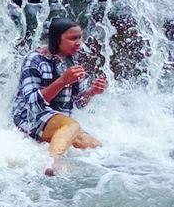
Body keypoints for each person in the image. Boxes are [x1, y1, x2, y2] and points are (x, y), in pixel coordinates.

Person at [11, 18, 106, 176]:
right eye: (72, 38)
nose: (78, 43)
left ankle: (55, 150)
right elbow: (33, 103)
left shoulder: (73, 60)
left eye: (79, 37)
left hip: (58, 123)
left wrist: (92, 92)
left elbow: (79, 102)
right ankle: (52, 162)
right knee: (72, 126)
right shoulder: (34, 60)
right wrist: (62, 81)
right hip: (29, 118)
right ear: (56, 40)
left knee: (94, 145)